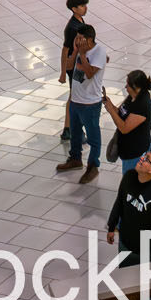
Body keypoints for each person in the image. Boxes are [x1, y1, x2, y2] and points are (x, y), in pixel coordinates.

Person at [57, 23, 106, 183]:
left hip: (90, 103)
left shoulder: (99, 51)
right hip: (76, 100)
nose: (76, 40)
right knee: (75, 133)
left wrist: (83, 55)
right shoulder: (79, 49)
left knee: (93, 137)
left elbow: (91, 73)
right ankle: (75, 159)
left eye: (79, 38)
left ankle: (93, 166)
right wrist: (76, 51)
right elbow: (70, 66)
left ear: (89, 39)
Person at [105, 148, 151, 268]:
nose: (141, 159)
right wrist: (111, 226)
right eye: (144, 155)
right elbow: (119, 202)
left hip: (145, 252)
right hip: (124, 244)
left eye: (146, 159)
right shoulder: (129, 176)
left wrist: (146, 246)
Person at [103, 68, 151, 182]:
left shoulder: (142, 104)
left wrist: (111, 111)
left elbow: (124, 128)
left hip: (136, 154)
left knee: (131, 183)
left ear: (136, 87)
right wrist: (110, 105)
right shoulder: (132, 97)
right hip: (128, 151)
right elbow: (122, 114)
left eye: (128, 85)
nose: (125, 87)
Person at [58, 0, 91, 144]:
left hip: (79, 65)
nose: (85, 8)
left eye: (85, 5)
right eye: (82, 6)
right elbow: (65, 50)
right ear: (74, 8)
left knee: (74, 96)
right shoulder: (72, 27)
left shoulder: (79, 21)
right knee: (76, 98)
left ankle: (68, 128)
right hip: (74, 68)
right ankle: (73, 129)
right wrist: (63, 72)